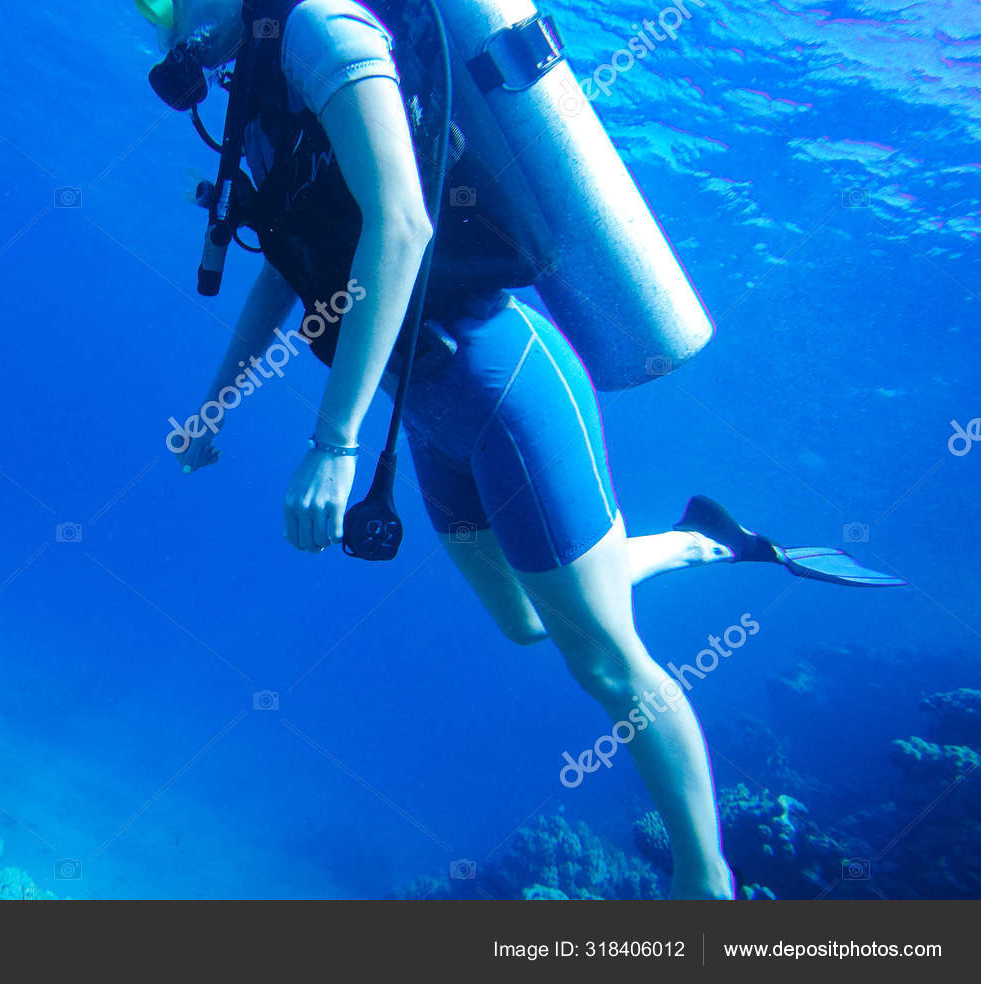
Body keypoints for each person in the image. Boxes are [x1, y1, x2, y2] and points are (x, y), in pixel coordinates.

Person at [140, 0, 897, 899]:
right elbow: (289, 259)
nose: (164, 26)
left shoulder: (321, 30)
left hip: (499, 382)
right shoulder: (263, 94)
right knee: (530, 622)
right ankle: (705, 541)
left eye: (163, 3)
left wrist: (335, 443)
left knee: (606, 661)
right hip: (427, 413)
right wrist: (216, 403)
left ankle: (706, 883)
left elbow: (403, 225)